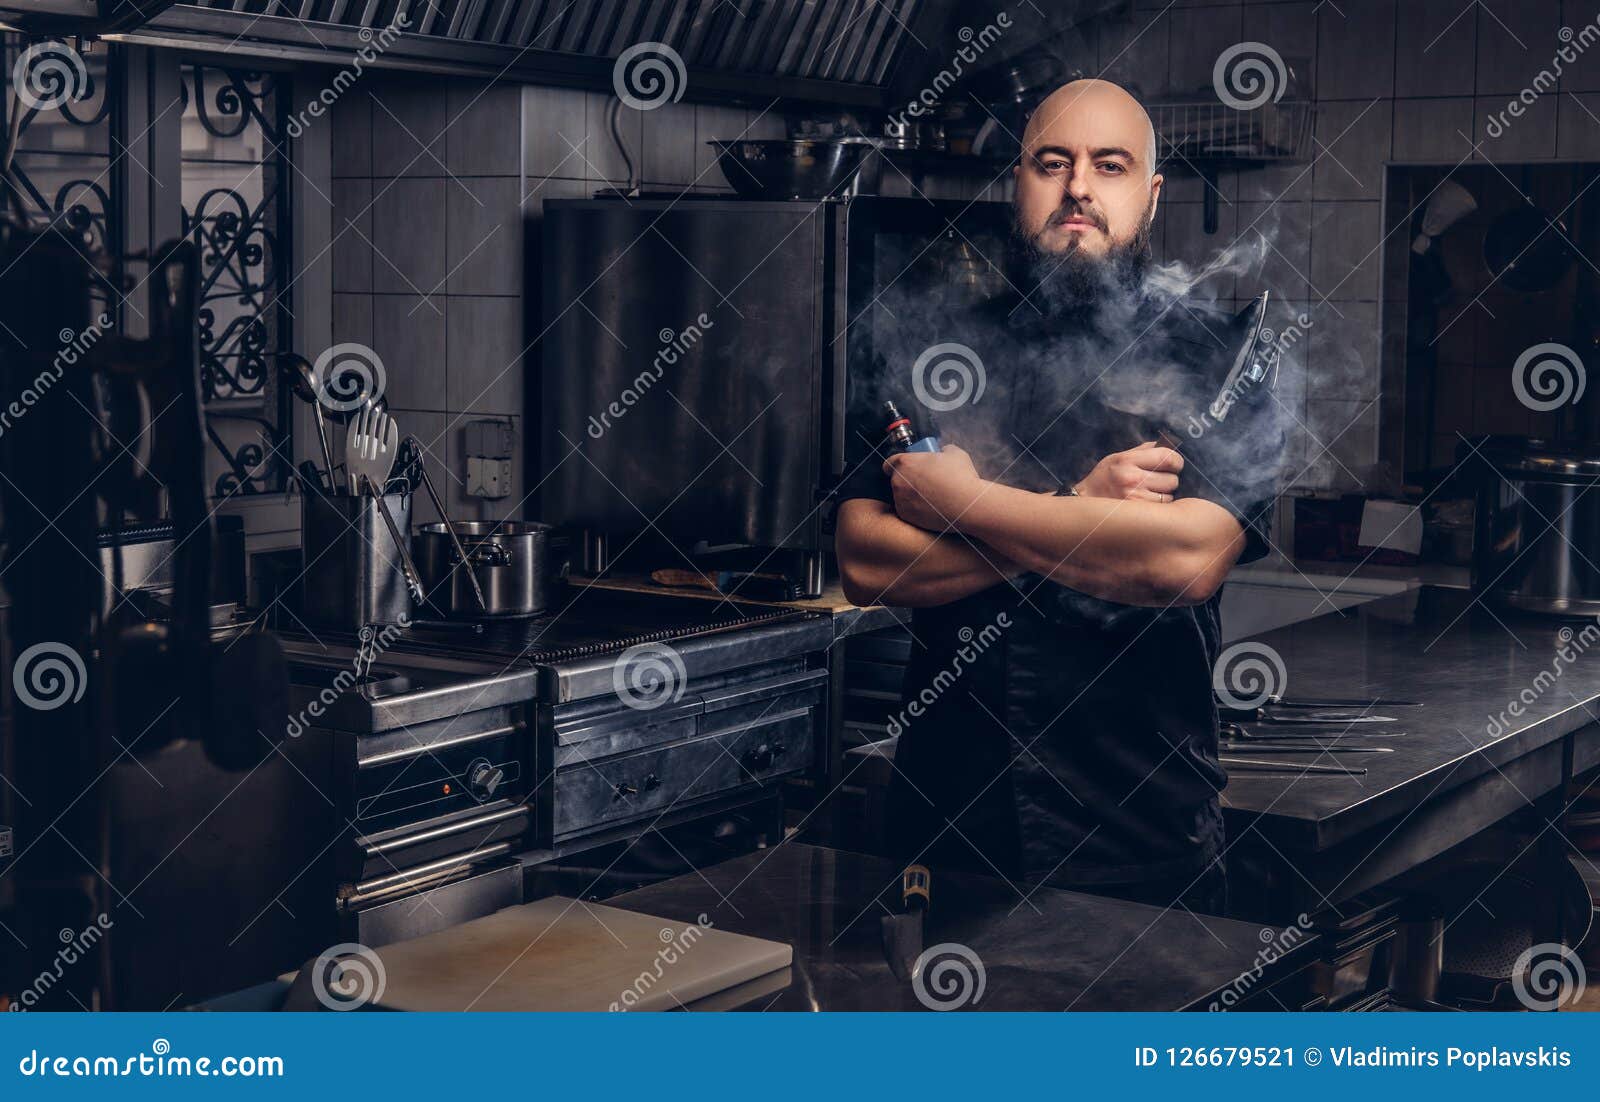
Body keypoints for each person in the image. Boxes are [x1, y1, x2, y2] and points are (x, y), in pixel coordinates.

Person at [833, 79, 1286, 913]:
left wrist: (960, 506)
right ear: (1020, 183)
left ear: (1150, 194)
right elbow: (866, 561)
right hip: (948, 826)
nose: (1078, 186)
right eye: (1052, 163)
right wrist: (1086, 506)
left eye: (1109, 165)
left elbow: (1183, 563)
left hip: (1139, 833)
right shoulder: (937, 347)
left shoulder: (1220, 354)